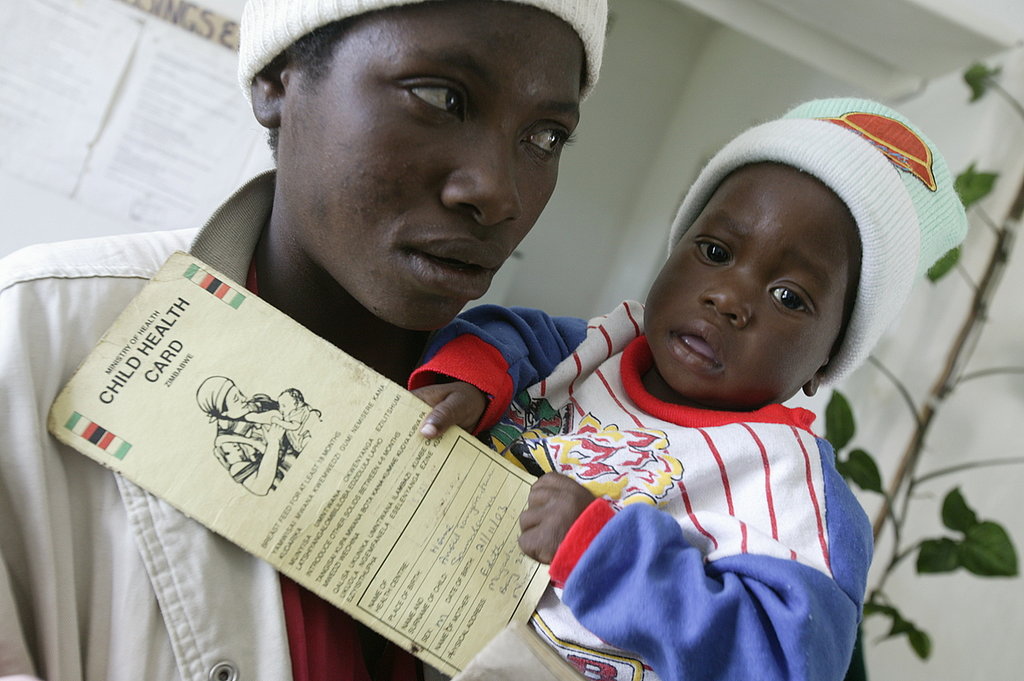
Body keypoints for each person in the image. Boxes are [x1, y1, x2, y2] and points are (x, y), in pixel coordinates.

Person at [0, 1, 607, 680]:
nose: (498, 193)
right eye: (441, 97)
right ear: (276, 79)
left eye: (546, 137)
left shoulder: (574, 423)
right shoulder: (35, 338)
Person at [409, 97, 968, 681]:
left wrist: (608, 557)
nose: (729, 298)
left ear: (826, 358)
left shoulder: (794, 490)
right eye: (716, 252)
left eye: (788, 297)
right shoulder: (597, 345)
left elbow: (787, 663)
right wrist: (468, 381)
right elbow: (505, 334)